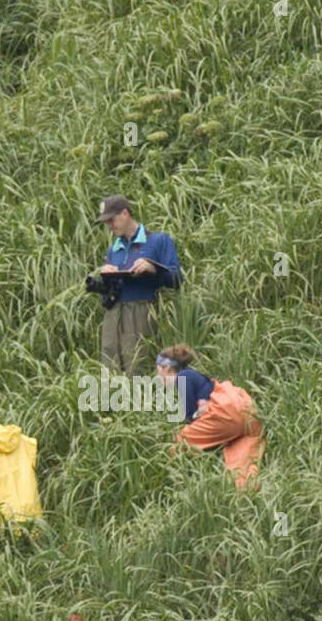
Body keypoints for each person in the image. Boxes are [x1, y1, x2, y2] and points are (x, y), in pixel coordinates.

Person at [95, 194, 182, 376]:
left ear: (125, 213)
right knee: (111, 368)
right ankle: (115, 404)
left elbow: (177, 279)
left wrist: (153, 269)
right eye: (107, 223)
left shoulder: (158, 241)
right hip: (114, 314)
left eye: (112, 220)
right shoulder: (113, 249)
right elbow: (108, 295)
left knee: (138, 368)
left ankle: (143, 404)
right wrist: (106, 277)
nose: (110, 226)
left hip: (143, 311)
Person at [156, 345, 264, 489]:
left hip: (225, 415)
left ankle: (170, 481)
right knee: (242, 461)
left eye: (158, 370)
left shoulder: (182, 378)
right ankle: (247, 490)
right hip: (246, 416)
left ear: (166, 368)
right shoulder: (192, 375)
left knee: (179, 442)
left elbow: (189, 415)